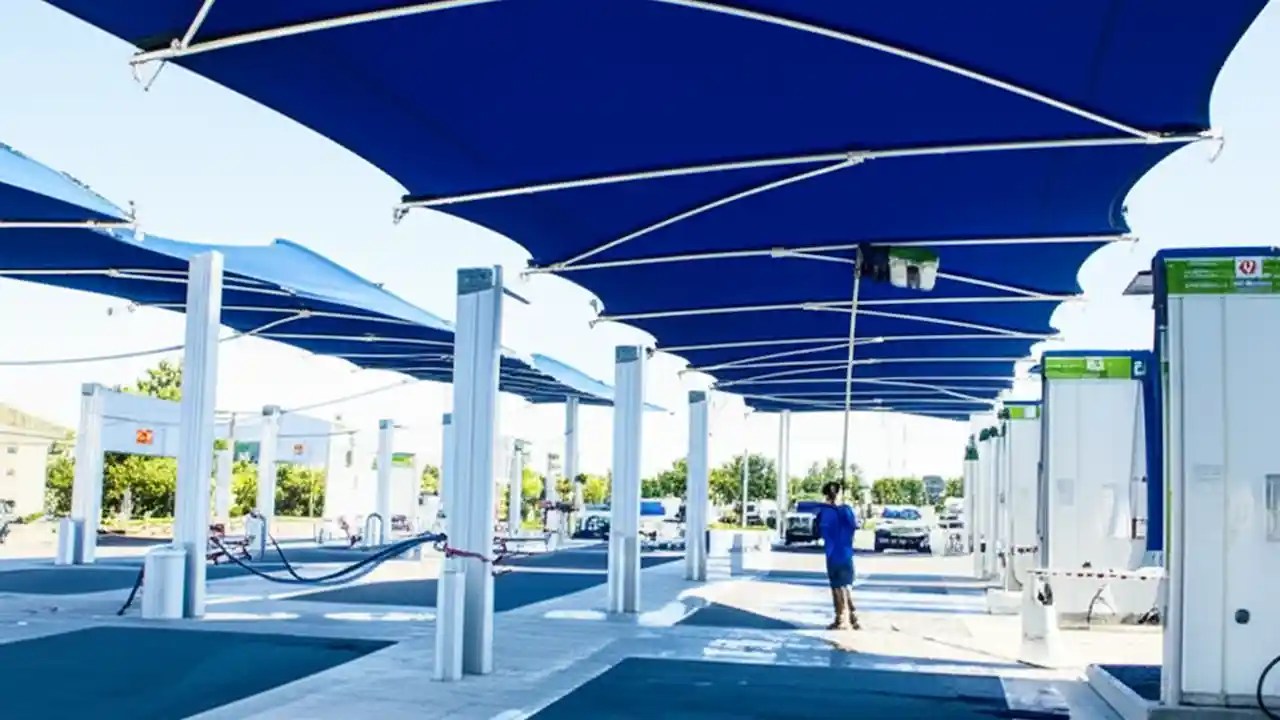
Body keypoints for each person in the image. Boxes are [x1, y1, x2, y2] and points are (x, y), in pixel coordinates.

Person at [816, 481, 860, 630]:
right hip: (846, 553)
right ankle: (853, 616)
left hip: (831, 553)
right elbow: (854, 527)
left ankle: (840, 617)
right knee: (846, 586)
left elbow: (818, 531)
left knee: (836, 586)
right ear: (839, 494)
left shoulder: (823, 512)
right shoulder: (847, 510)